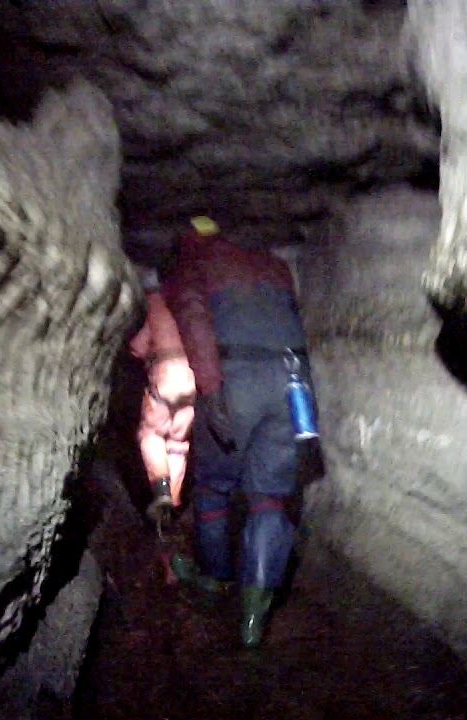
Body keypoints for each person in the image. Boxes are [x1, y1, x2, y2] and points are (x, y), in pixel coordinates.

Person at [163, 215, 315, 648]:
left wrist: (211, 389)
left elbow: (194, 320)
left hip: (237, 379)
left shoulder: (194, 264)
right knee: (270, 498)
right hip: (292, 384)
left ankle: (214, 579)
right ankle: (253, 619)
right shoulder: (274, 265)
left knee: (213, 487)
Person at [127, 266, 196, 525]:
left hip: (166, 380)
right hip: (192, 381)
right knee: (178, 443)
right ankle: (172, 505)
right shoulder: (187, 303)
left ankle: (162, 490)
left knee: (151, 434)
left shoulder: (155, 307)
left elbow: (138, 348)